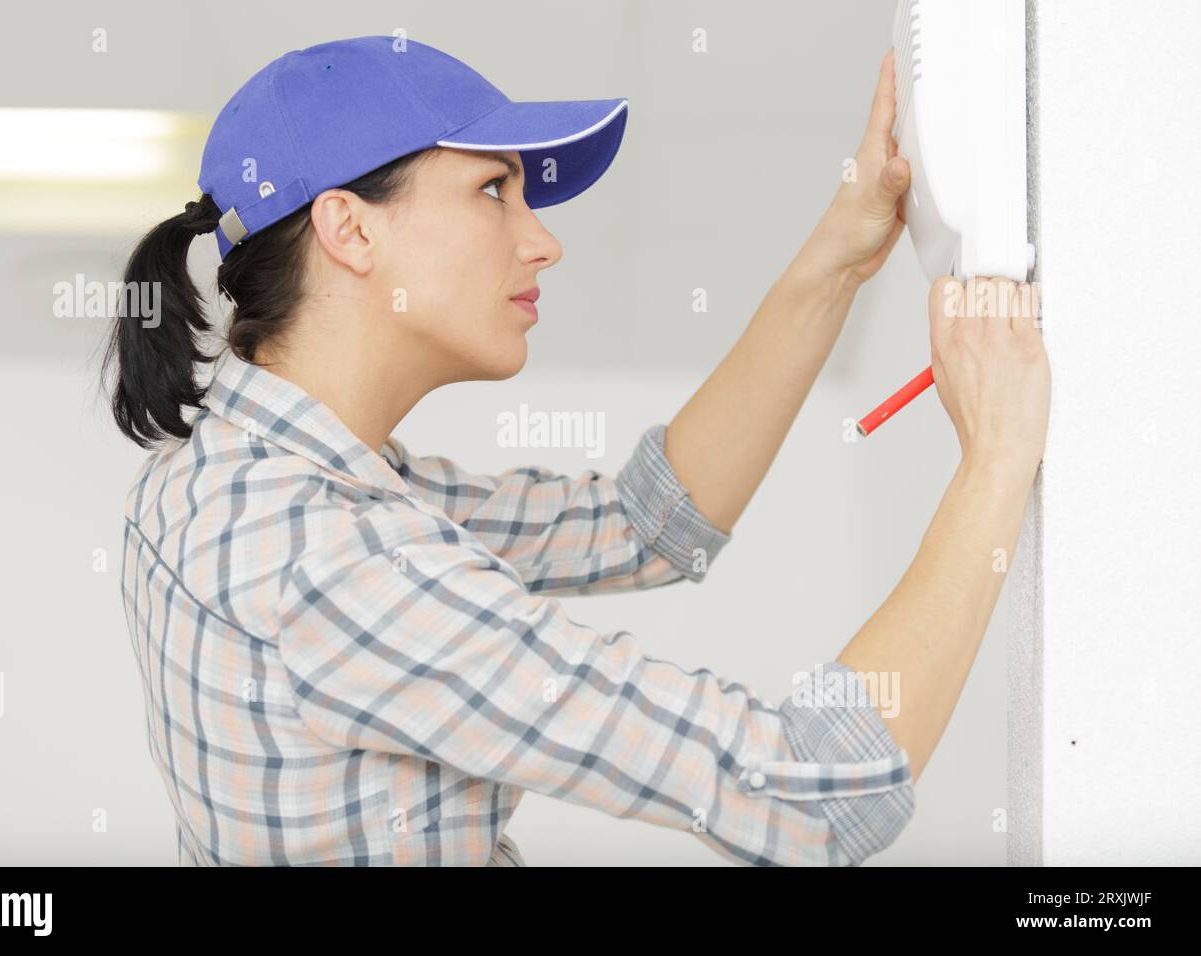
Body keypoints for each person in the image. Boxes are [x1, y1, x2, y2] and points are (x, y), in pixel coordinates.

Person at [101, 36, 1050, 866]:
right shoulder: (320, 555)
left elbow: (645, 523)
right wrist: (997, 458)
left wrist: (839, 256)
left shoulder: (236, 477)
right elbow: (818, 797)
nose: (543, 242)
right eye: (492, 191)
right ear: (348, 228)